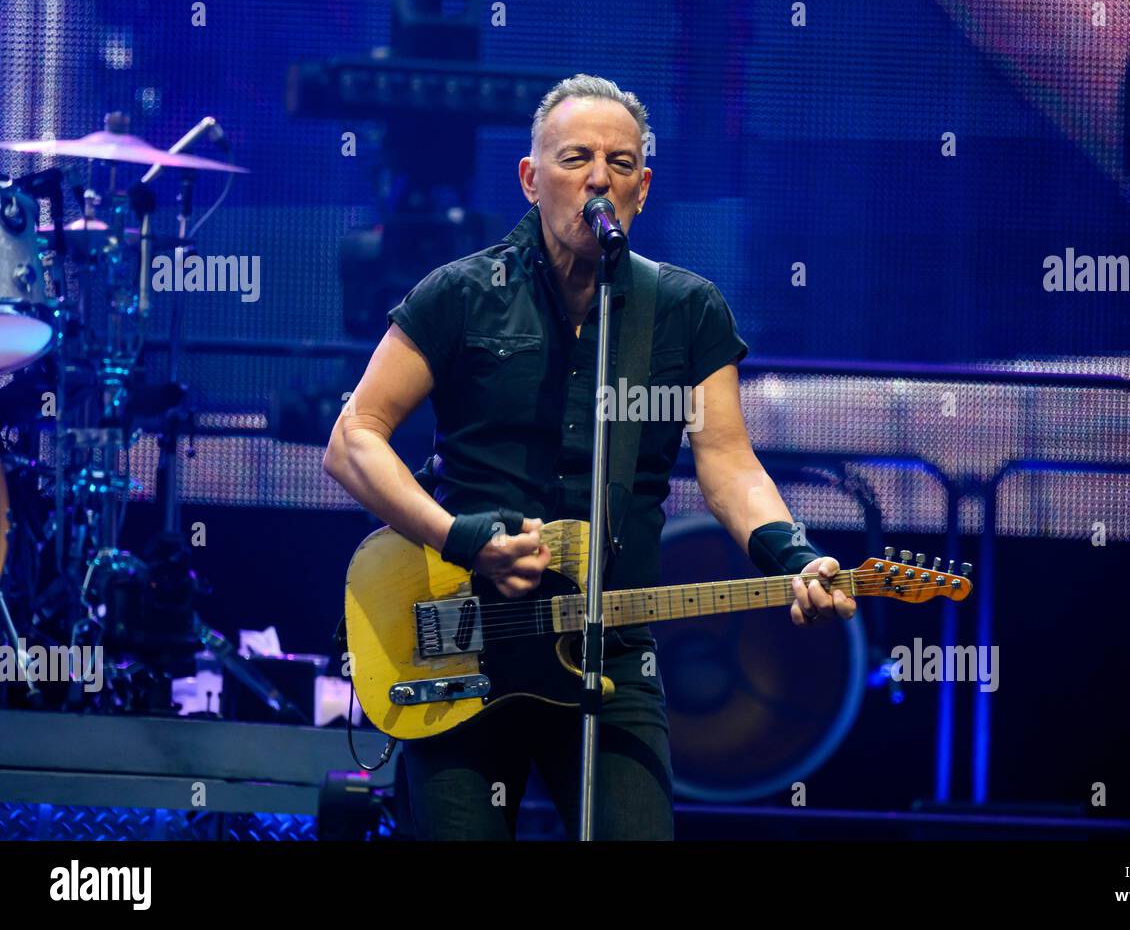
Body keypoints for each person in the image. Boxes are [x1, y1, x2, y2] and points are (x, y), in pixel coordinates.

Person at [323, 73, 856, 840]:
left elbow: (730, 465)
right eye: (575, 158)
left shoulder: (684, 310)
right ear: (530, 180)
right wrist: (459, 537)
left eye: (621, 161)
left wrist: (790, 555)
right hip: (461, 638)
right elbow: (353, 440)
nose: (599, 176)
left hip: (609, 648)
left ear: (643, 187)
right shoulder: (462, 294)